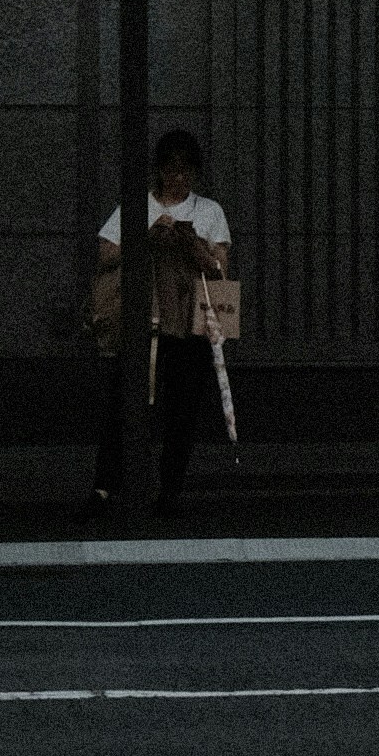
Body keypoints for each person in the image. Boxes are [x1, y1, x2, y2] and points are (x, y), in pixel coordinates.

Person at [92, 127, 232, 514]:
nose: (179, 178)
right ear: (160, 171)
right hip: (141, 320)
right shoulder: (138, 207)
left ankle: (168, 490)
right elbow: (105, 254)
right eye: (172, 170)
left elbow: (220, 269)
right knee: (127, 402)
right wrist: (146, 237)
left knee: (181, 410)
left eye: (186, 170)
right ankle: (107, 485)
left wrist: (190, 242)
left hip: (188, 323)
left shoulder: (208, 211)